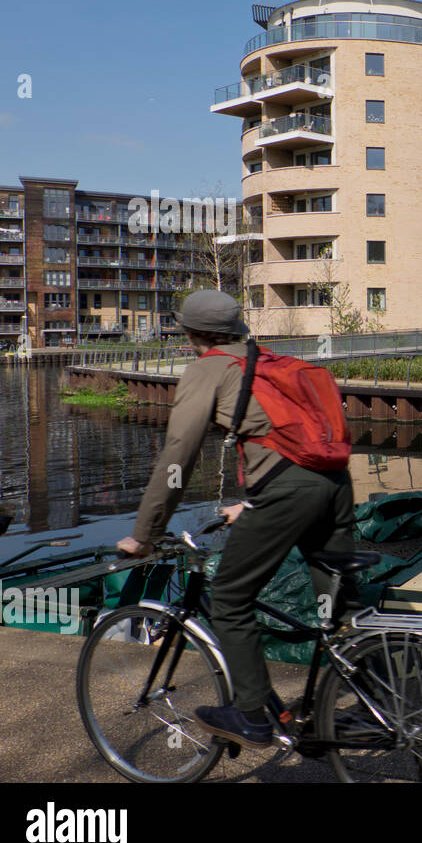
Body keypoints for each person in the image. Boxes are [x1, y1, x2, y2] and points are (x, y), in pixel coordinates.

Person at [117, 289, 355, 749]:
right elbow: (286, 440)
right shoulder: (265, 362)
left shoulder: (208, 368)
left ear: (191, 334)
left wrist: (144, 533)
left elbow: (177, 457)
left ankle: (250, 716)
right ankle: (373, 698)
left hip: (288, 493)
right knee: (337, 606)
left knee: (227, 596)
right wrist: (249, 502)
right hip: (335, 484)